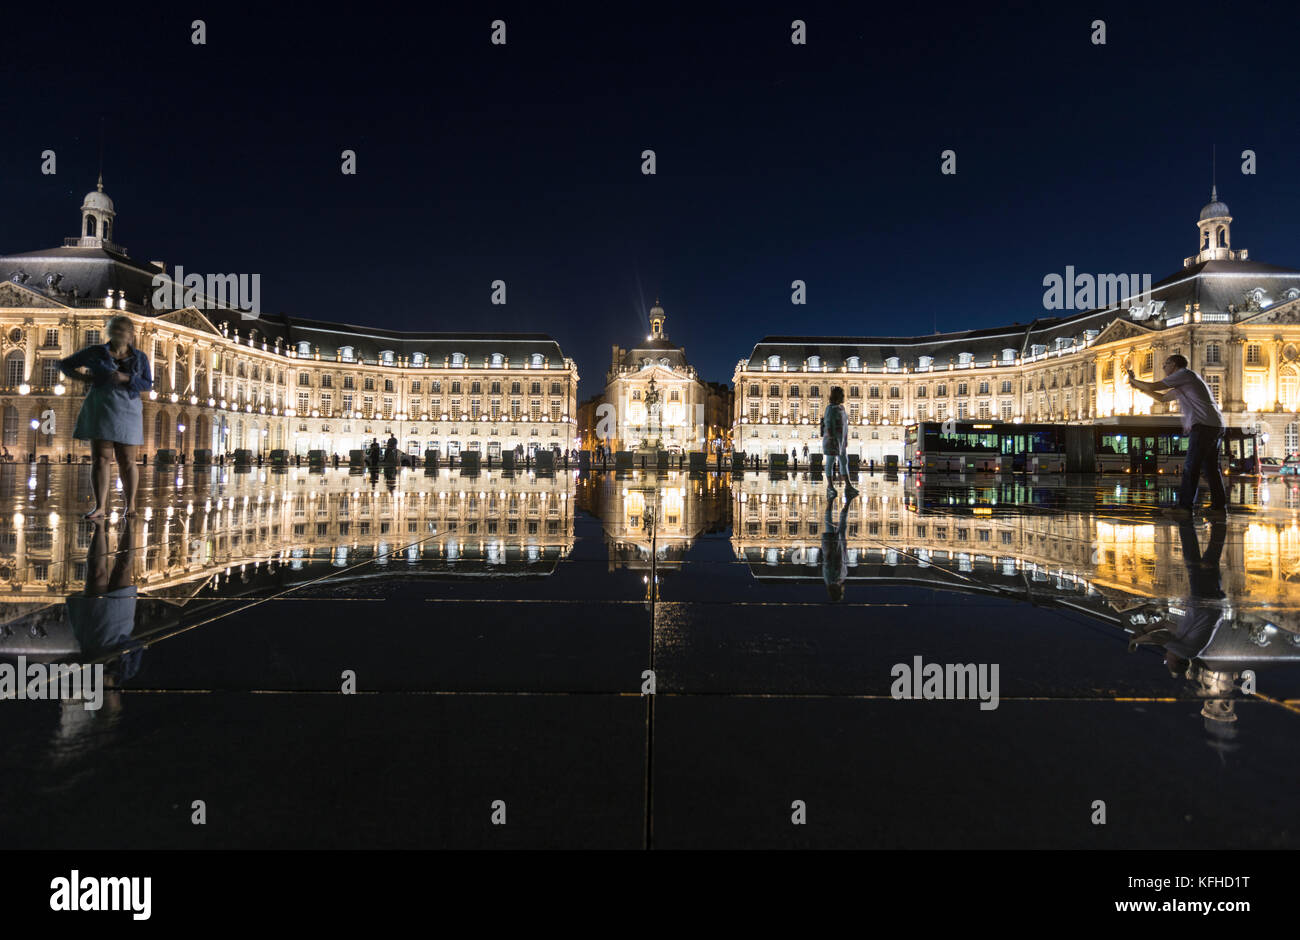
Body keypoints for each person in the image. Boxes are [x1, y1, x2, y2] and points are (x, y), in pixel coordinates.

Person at [58, 315, 152, 518]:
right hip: (101, 406)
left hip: (128, 407)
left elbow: (147, 384)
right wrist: (85, 378)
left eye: (122, 329)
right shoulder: (97, 352)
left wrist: (126, 378)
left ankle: (131, 506)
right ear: (109, 331)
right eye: (114, 329)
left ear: (130, 334)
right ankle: (100, 507)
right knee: (101, 459)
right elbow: (64, 365)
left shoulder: (140, 357)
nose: (118, 332)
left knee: (127, 460)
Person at [1127, 354, 1227, 519]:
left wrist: (1134, 380)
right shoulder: (1185, 381)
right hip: (1215, 425)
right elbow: (1163, 398)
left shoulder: (1183, 375)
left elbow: (1153, 387)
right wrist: (1139, 388)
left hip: (1203, 426)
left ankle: (1185, 507)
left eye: (1165, 363)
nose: (1163, 367)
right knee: (1210, 469)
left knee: (1191, 466)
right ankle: (1218, 507)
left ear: (1173, 364)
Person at [819, 385, 856, 499]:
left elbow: (845, 425)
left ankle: (848, 486)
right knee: (830, 462)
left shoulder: (842, 408)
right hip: (832, 440)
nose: (843, 397)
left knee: (844, 462)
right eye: (841, 395)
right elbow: (828, 423)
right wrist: (831, 438)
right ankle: (830, 486)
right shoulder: (830, 408)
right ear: (837, 396)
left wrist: (845, 440)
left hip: (841, 440)